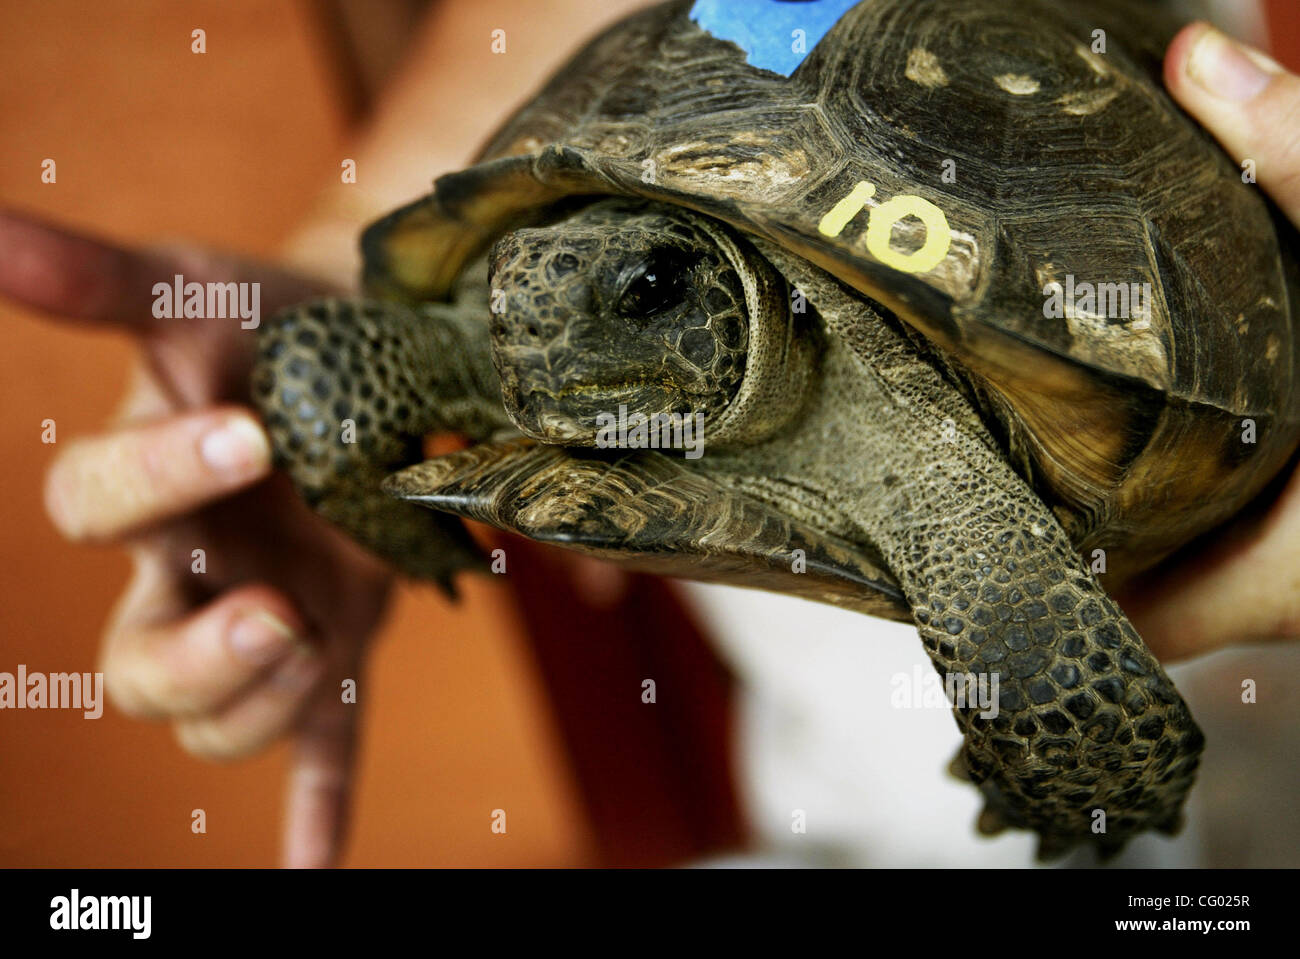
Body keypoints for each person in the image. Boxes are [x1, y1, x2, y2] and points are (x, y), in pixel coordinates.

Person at [2, 18, 1296, 868]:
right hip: (858, 818)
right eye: (512, 299)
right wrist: (310, 337)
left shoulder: (922, 422)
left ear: (732, 297)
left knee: (1091, 771)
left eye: (641, 300)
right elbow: (360, 341)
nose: (544, 343)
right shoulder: (530, 314)